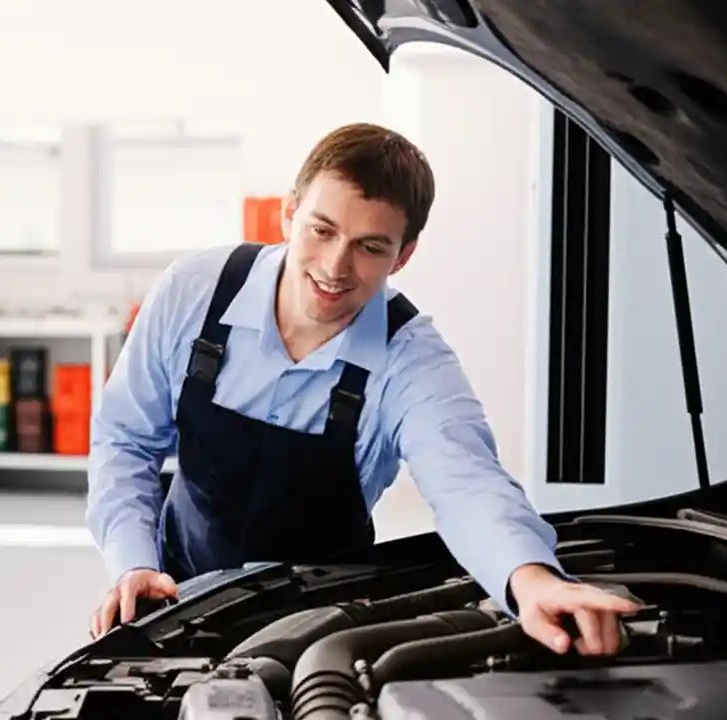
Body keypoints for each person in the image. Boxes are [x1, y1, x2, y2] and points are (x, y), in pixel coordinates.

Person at [86, 123, 640, 655]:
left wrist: (531, 579)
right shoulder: (194, 292)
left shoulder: (411, 357)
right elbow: (125, 439)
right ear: (288, 214)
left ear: (403, 255)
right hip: (176, 595)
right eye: (321, 230)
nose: (334, 265)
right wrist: (133, 563)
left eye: (370, 247)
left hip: (320, 626)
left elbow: (468, 483)